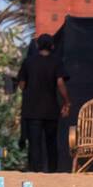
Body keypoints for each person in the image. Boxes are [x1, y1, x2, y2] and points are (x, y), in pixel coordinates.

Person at [16, 34, 70, 173]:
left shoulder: (28, 62)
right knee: (51, 142)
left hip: (32, 109)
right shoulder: (56, 62)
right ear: (52, 46)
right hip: (50, 109)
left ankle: (36, 170)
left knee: (35, 142)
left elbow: (21, 84)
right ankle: (52, 169)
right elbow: (60, 83)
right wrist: (67, 102)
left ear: (37, 45)